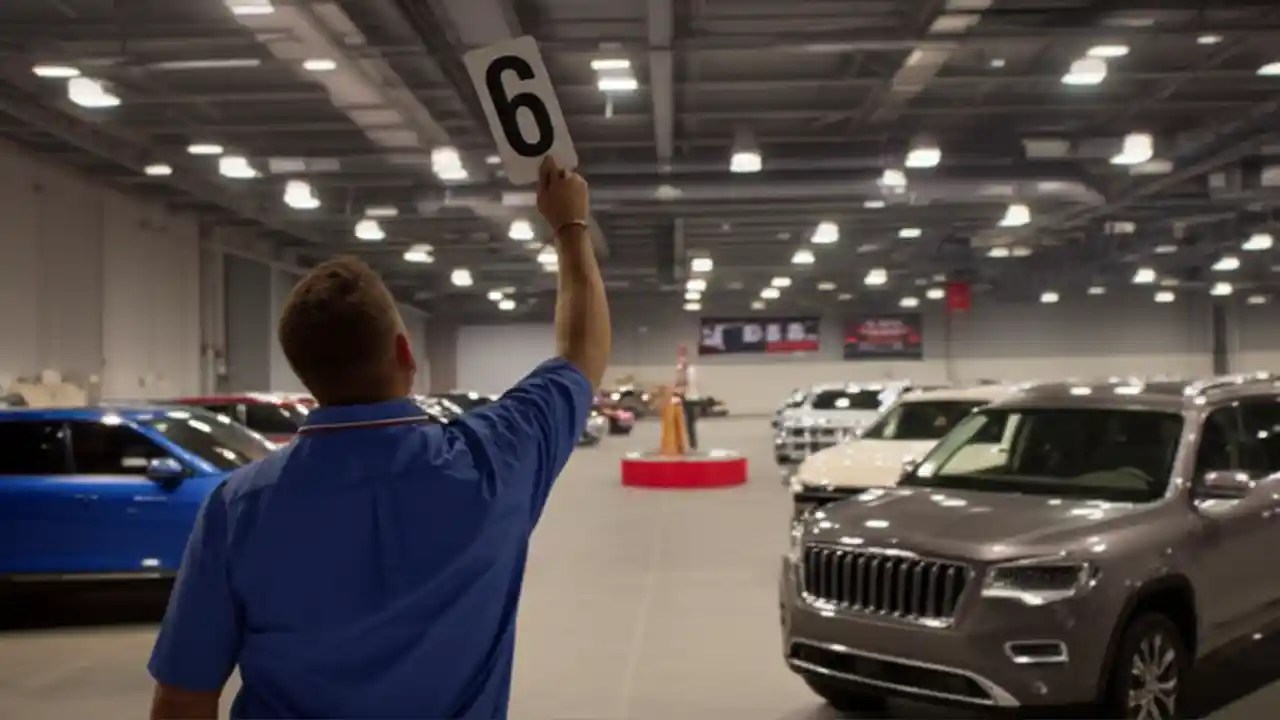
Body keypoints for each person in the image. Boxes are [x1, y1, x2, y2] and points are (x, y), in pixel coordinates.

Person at [147, 156, 610, 719]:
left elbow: (184, 697)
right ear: (404, 352)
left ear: (305, 375)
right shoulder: (494, 462)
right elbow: (582, 353)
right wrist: (569, 225)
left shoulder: (239, 506)